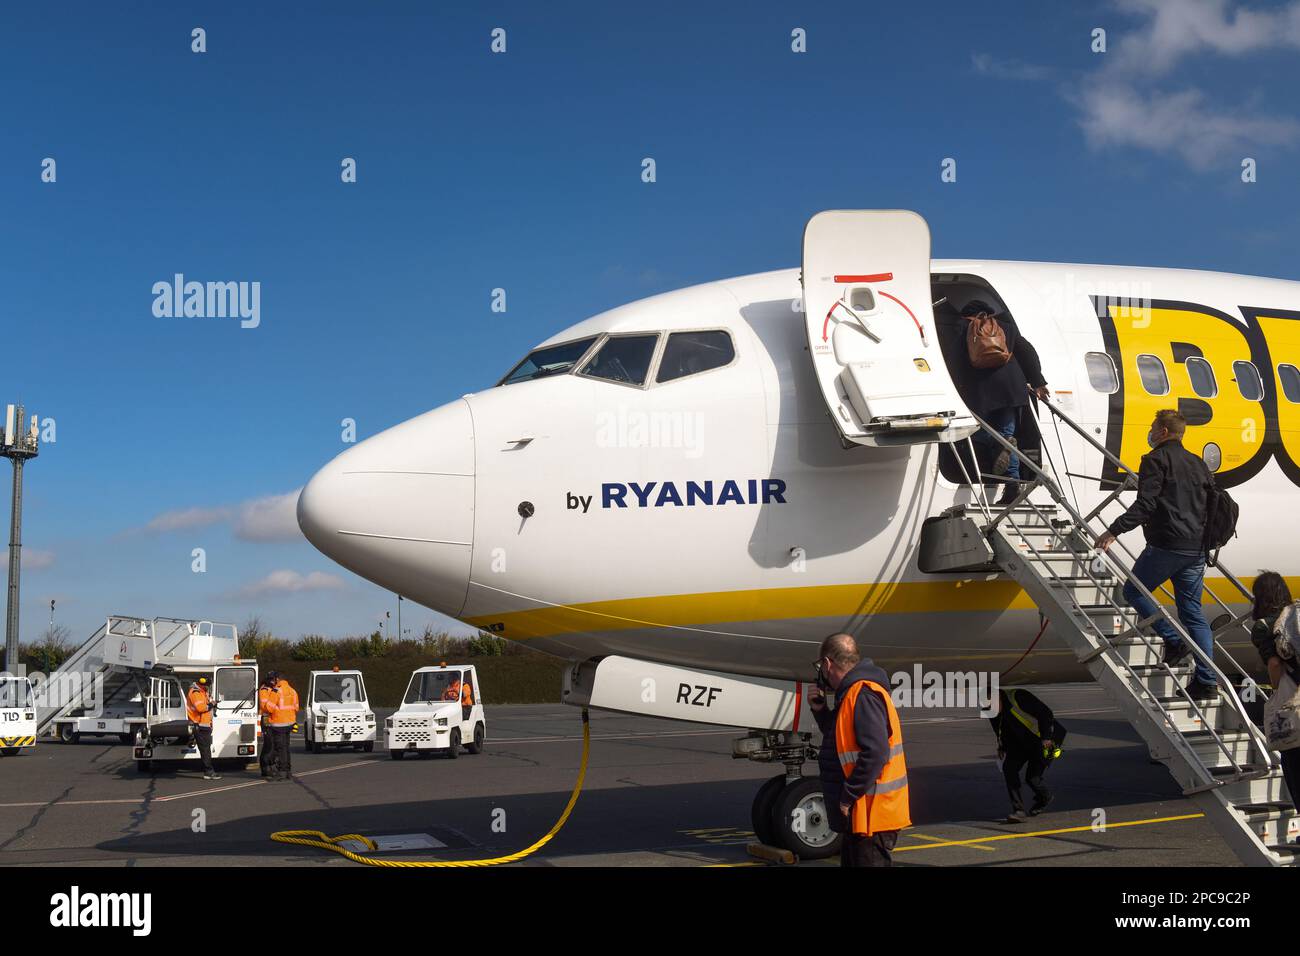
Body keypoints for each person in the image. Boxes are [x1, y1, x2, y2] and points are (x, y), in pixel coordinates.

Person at [1097, 409, 1217, 699]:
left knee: (1134, 592)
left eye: (1153, 427)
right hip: (1196, 548)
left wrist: (1113, 531)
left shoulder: (1155, 460)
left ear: (1163, 432)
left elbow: (1145, 505)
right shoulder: (1198, 463)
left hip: (1167, 545)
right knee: (1193, 613)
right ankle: (1207, 681)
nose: (1150, 432)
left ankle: (1173, 641)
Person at [809, 633, 910, 867]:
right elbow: (841, 742)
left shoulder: (863, 694)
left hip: (872, 813)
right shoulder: (851, 694)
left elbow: (875, 752)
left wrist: (847, 796)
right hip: (861, 812)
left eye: (820, 667)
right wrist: (821, 711)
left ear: (827, 664)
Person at [938, 299, 1050, 505]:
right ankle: (1011, 486)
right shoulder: (1006, 327)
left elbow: (953, 359)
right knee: (1005, 435)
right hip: (1012, 391)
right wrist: (1038, 383)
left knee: (978, 434)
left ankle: (1001, 448)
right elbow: (1027, 353)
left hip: (981, 391)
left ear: (967, 316)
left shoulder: (964, 328)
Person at [1249, 572, 1300, 826]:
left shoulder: (1264, 626)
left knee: (1295, 769)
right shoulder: (1296, 614)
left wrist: (1278, 690)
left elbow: (1274, 663)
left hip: (1295, 704)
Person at [989, 688, 1066, 823]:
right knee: (1009, 769)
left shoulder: (1019, 697)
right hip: (1019, 743)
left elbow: (1046, 713)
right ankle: (1018, 810)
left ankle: (1044, 797)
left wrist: (1046, 737)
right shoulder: (990, 709)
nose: (991, 709)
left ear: (999, 696)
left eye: (992, 705)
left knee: (1032, 778)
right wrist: (1001, 746)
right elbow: (997, 727)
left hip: (1043, 741)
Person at [260, 671, 300, 781]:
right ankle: (288, 771)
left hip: (278, 724)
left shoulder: (276, 691)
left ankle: (282, 771)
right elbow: (296, 707)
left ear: (277, 679)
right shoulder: (293, 691)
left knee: (280, 748)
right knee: (286, 748)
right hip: (289, 723)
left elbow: (268, 708)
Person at [186, 677, 221, 781]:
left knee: (206, 749)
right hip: (199, 725)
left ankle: (209, 771)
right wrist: (212, 704)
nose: (208, 687)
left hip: (204, 725)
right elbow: (201, 708)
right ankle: (208, 772)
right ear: (203, 684)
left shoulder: (201, 692)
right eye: (207, 685)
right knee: (205, 750)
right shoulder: (196, 692)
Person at [257, 674, 278, 779]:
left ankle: (271, 765)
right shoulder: (264, 690)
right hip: (266, 719)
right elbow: (266, 706)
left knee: (274, 745)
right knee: (268, 745)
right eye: (273, 680)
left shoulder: (272, 689)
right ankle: (265, 767)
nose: (275, 682)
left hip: (273, 719)